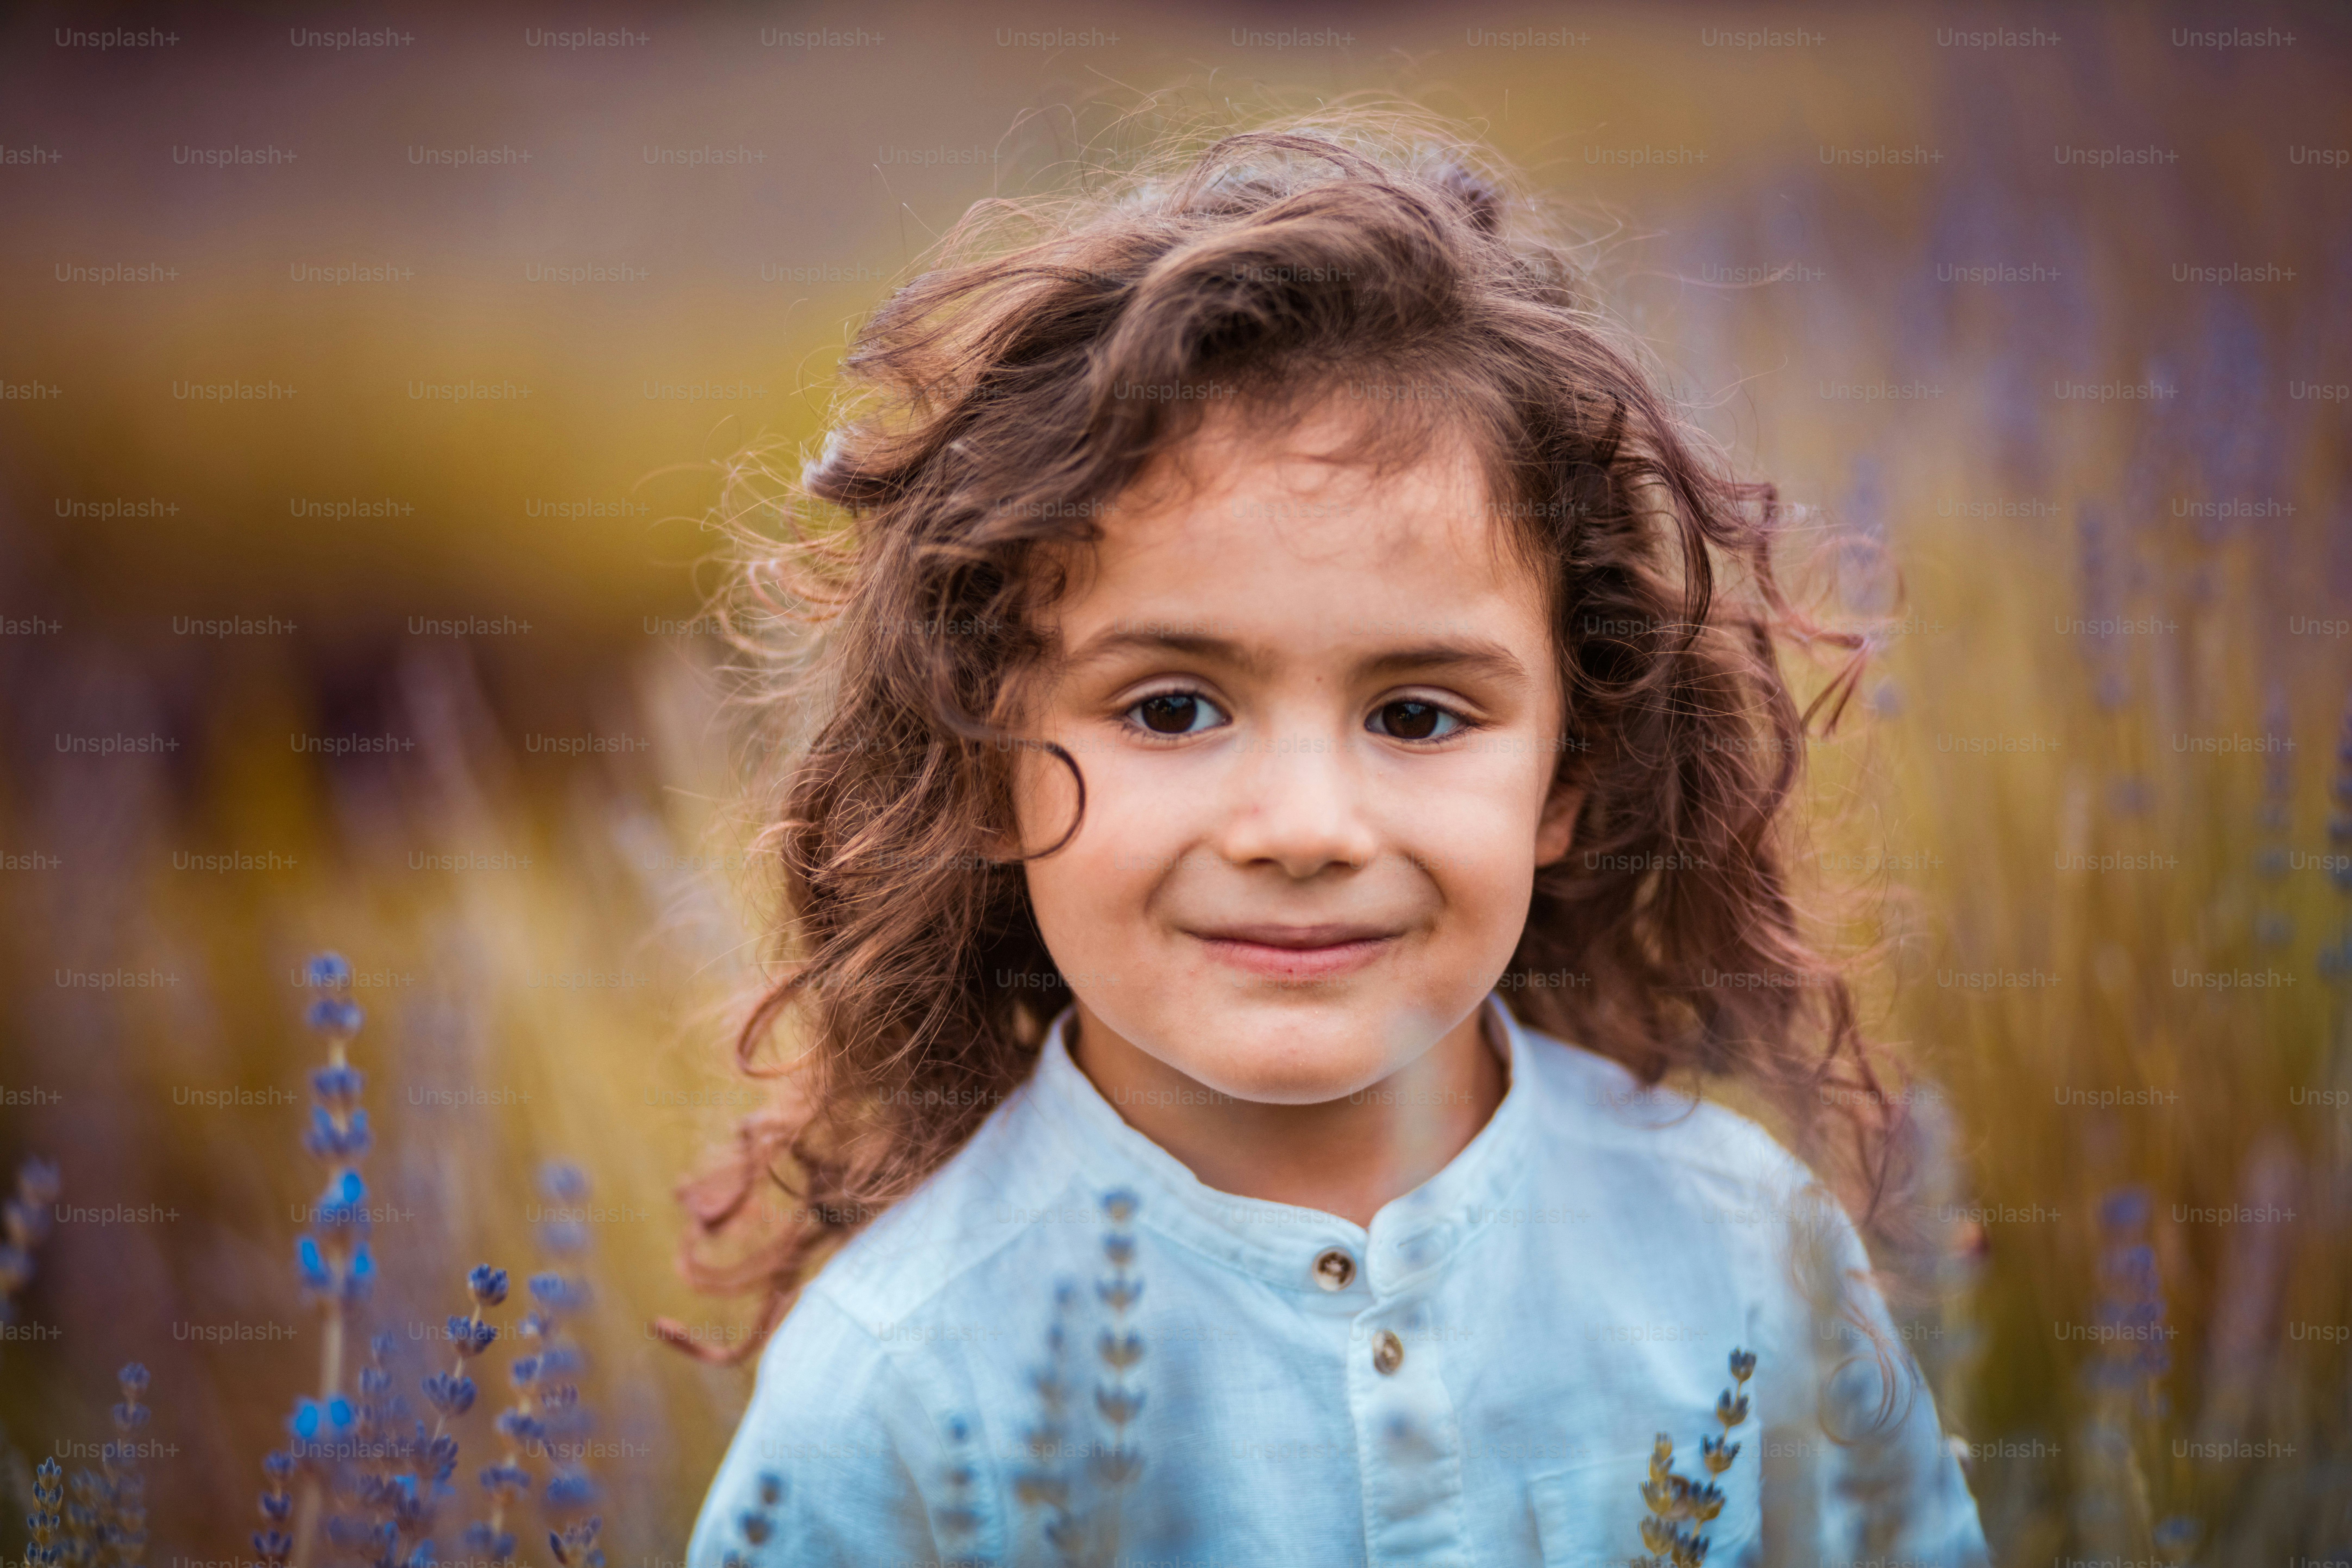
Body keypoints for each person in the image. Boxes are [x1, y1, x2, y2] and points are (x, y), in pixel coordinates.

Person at [677, 114, 1988, 1566]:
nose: (1302, 828)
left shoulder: (1744, 1253)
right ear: (984, 764)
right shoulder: (901, 1382)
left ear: (1570, 773)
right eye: (1170, 708)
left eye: (1418, 717)